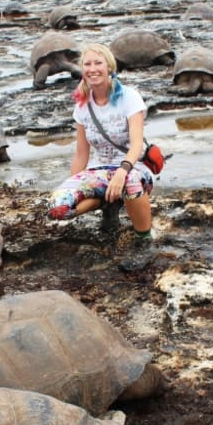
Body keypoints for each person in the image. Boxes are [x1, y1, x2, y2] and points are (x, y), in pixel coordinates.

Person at [47, 42, 156, 271]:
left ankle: (144, 241)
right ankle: (110, 202)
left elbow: (136, 144)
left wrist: (122, 171)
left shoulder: (129, 97)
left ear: (109, 67)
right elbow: (81, 153)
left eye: (98, 63)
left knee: (130, 182)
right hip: (100, 169)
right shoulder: (82, 106)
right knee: (58, 207)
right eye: (87, 64)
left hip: (133, 166)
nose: (92, 68)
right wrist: (76, 187)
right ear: (82, 70)